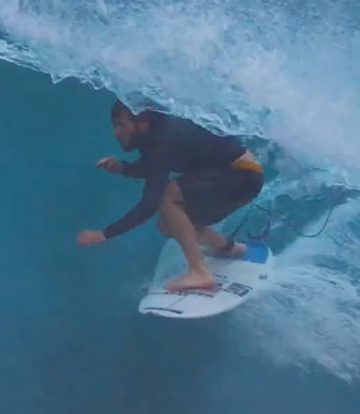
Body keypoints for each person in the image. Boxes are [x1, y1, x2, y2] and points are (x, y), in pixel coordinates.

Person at [77, 100, 264, 292]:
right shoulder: (153, 135)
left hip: (242, 175)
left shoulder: (163, 138)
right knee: (167, 225)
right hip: (235, 175)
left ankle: (200, 272)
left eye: (122, 126)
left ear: (142, 123)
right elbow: (153, 166)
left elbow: (150, 202)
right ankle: (230, 248)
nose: (116, 133)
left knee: (166, 195)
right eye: (114, 126)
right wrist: (123, 168)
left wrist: (104, 234)